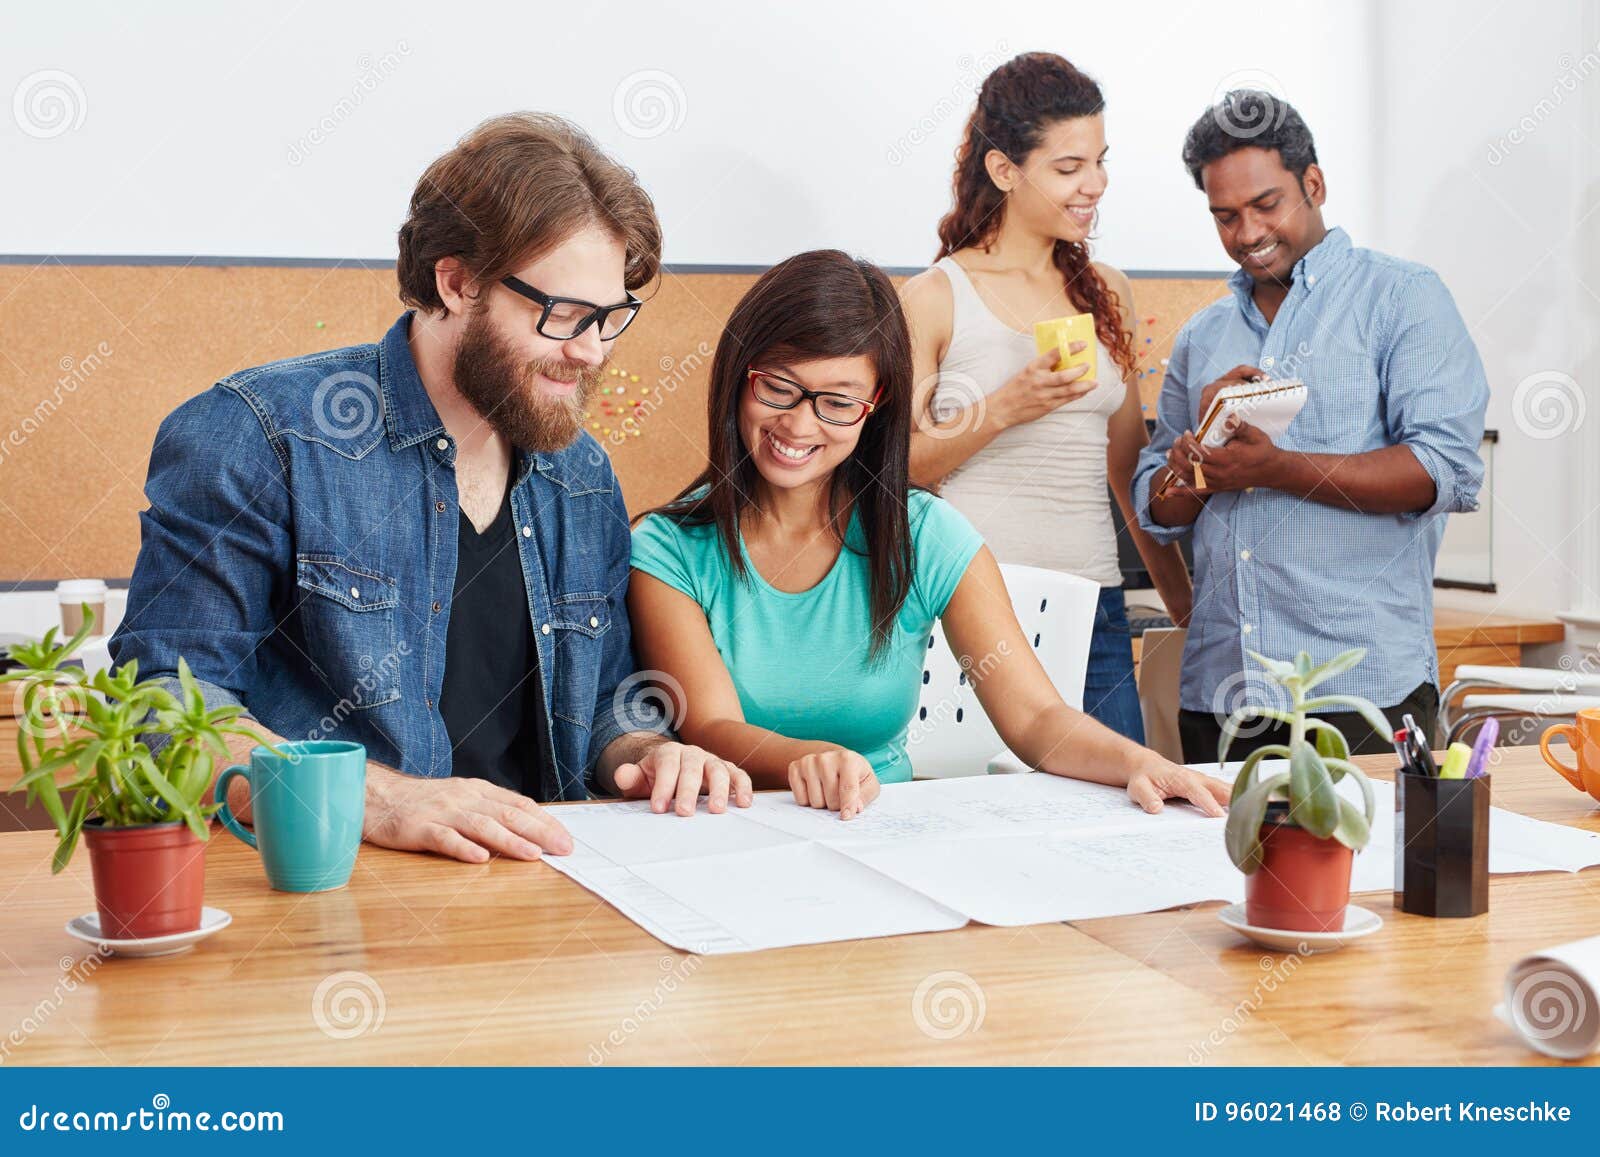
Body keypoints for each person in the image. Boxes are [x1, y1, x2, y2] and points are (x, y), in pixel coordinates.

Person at [110, 113, 751, 864]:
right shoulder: (262, 435)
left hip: (544, 890)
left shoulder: (581, 475)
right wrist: (378, 800)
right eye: (563, 314)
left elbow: (605, 699)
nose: (589, 350)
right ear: (456, 282)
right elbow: (163, 706)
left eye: (610, 318)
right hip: (336, 895)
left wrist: (649, 750)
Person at [624, 248, 1228, 819]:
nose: (799, 423)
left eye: (837, 401)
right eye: (778, 388)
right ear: (738, 379)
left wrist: (1141, 763)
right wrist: (810, 760)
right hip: (730, 827)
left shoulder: (924, 534)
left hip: (883, 828)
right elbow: (712, 727)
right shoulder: (666, 547)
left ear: (875, 407)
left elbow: (1037, 718)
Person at [1132, 91, 1489, 763]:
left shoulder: (1403, 298)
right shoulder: (1201, 335)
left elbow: (1444, 470)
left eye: (1266, 205)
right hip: (1221, 698)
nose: (1246, 233)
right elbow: (1158, 508)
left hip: (1360, 694)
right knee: (1216, 872)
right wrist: (1198, 457)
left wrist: (1278, 469)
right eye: (1225, 216)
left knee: (1369, 874)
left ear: (1314, 184)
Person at [900, 52, 1193, 746]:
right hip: (968, 610)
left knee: (1117, 819)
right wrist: (1006, 405)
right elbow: (901, 469)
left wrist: (1184, 603)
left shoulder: (1106, 291)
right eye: (1069, 168)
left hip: (1094, 609)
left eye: (1100, 162)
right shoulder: (936, 297)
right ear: (1005, 171)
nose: (1094, 185)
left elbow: (1127, 470)